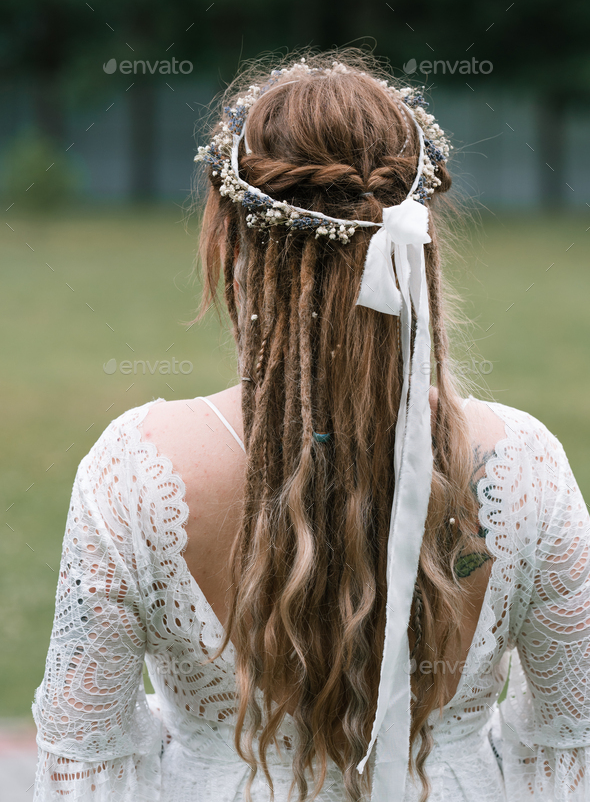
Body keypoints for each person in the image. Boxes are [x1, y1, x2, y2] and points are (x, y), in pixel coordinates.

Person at [31, 50, 590, 802]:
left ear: (229, 245)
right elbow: (570, 747)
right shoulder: (522, 465)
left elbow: (84, 763)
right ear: (419, 245)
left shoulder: (136, 471)